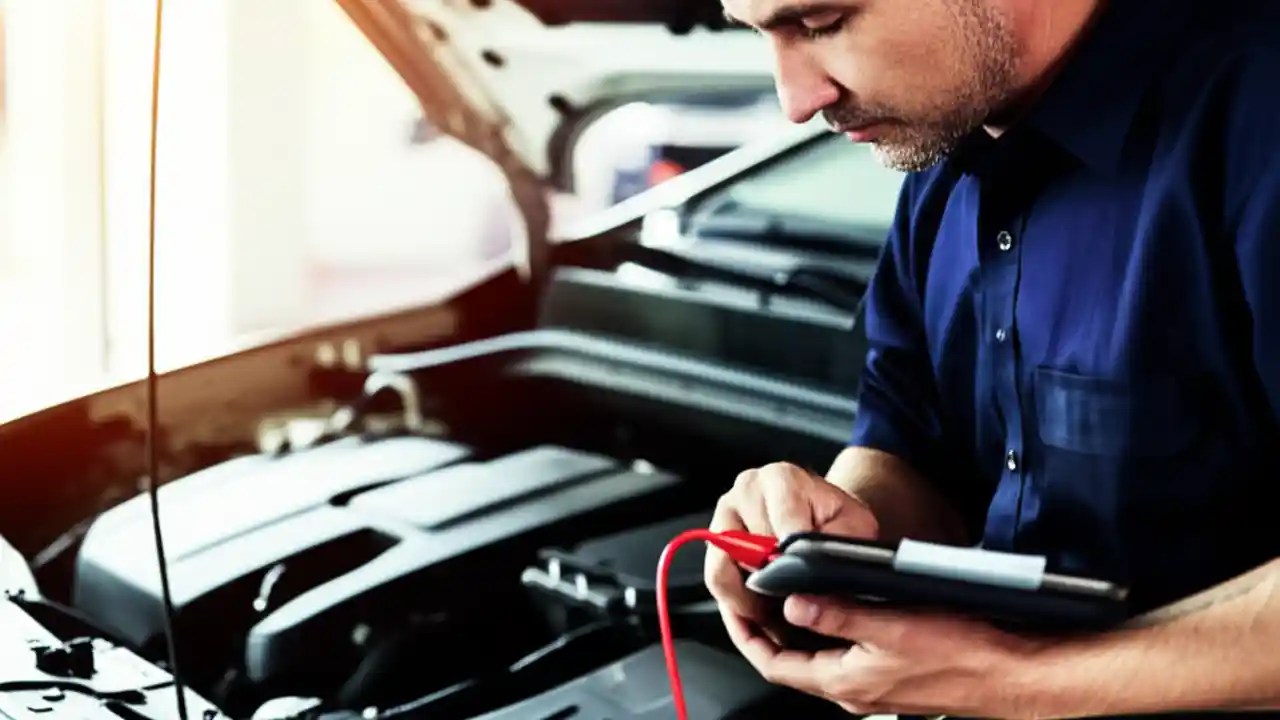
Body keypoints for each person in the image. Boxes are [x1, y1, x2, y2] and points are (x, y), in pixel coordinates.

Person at [704, 0, 1280, 717]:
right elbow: (914, 447)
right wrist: (830, 533)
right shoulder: (948, 148)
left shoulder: (1258, 118)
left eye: (821, 25)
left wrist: (1012, 679)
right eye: (761, 35)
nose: (795, 100)